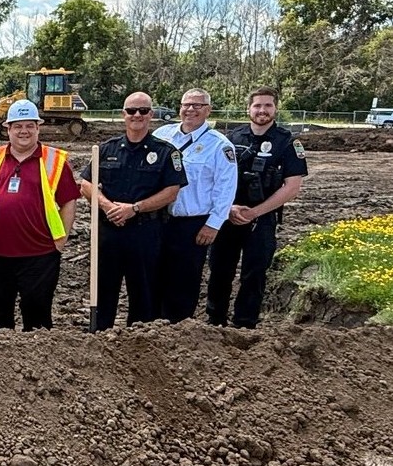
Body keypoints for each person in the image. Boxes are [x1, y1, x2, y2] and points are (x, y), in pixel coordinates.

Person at [79, 92, 187, 330]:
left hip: (145, 232)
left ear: (151, 114)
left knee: (144, 293)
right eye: (131, 111)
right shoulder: (106, 149)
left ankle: (139, 339)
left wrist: (135, 208)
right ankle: (99, 335)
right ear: (123, 114)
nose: (137, 115)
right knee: (103, 290)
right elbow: (86, 184)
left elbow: (171, 191)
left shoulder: (166, 152)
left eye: (143, 111)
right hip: (109, 232)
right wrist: (108, 206)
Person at [0, 100, 80, 332]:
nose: (24, 131)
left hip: (40, 255)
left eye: (30, 125)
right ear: (8, 129)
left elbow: (68, 202)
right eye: (18, 126)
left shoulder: (54, 161)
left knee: (37, 316)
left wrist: (61, 241)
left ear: (38, 128)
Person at [207, 86, 308, 328]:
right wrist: (229, 208)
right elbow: (213, 178)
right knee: (219, 270)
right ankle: (214, 322)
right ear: (248, 109)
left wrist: (254, 212)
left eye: (268, 105)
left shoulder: (287, 142)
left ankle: (245, 325)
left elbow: (292, 187)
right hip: (227, 215)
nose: (262, 110)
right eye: (257, 105)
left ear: (276, 108)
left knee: (254, 273)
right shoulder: (231, 139)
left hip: (261, 219)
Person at [152, 88, 238, 323]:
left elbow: (226, 188)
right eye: (186, 105)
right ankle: (151, 327)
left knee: (183, 281)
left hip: (192, 224)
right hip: (158, 220)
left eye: (197, 105)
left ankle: (179, 327)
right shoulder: (162, 135)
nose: (190, 109)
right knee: (153, 276)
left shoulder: (219, 146)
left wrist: (213, 224)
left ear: (208, 110)